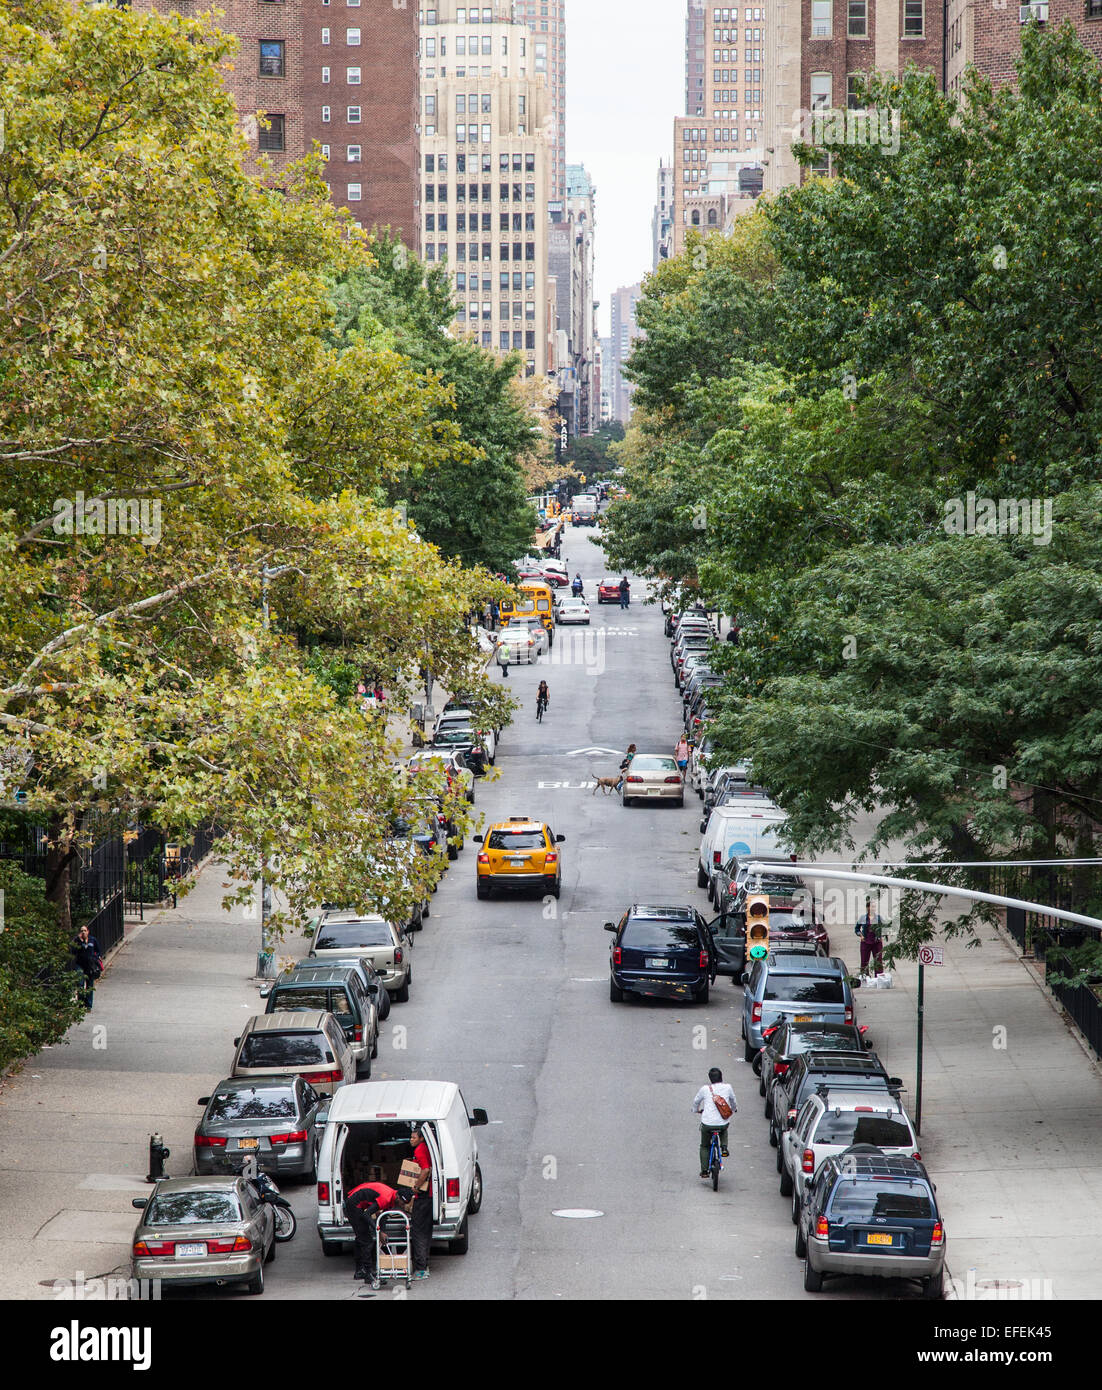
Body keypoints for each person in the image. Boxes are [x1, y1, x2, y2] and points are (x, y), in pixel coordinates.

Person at [344, 1178, 409, 1281]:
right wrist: (378, 1231)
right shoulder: (386, 1197)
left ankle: (360, 1271)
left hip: (357, 1204)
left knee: (361, 1237)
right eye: (402, 1202)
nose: (403, 1205)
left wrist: (382, 1231)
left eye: (405, 1203)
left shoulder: (392, 1198)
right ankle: (368, 1274)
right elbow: (366, 1214)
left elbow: (383, 1216)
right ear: (397, 1197)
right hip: (353, 1204)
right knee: (367, 1241)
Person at [691, 1067, 738, 1178]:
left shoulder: (705, 1089)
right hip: (722, 1123)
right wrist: (733, 1109)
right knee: (724, 1128)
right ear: (721, 1077)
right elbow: (733, 1101)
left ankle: (704, 1171)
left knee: (705, 1146)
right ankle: (724, 1147)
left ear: (710, 1079)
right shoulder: (728, 1087)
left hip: (707, 1123)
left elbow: (696, 1101)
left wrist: (696, 1110)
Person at [407, 1123, 434, 1280]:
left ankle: (421, 1268)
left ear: (421, 1138)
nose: (411, 1140)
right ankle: (424, 1264)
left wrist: (415, 1187)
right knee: (425, 1231)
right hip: (428, 1197)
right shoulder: (425, 1148)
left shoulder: (420, 1150)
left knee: (418, 1232)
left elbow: (425, 1170)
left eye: (414, 1137)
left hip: (423, 1198)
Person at [71, 925, 102, 1009]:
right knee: (80, 984)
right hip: (80, 965)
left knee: (90, 985)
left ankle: (88, 1005)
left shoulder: (92, 940)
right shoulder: (77, 941)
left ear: (88, 931)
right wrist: (80, 941)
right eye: (81, 931)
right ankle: (81, 1003)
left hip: (90, 965)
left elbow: (98, 951)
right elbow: (73, 951)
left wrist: (95, 958)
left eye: (85, 930)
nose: (83, 932)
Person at [856, 897, 885, 976]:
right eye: (871, 907)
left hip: (876, 943)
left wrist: (881, 935)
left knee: (878, 961)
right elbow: (857, 929)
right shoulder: (863, 918)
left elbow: (885, 928)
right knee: (864, 962)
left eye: (874, 907)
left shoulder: (879, 918)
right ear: (867, 907)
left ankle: (878, 978)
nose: (873, 909)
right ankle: (865, 977)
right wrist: (861, 935)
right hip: (865, 942)